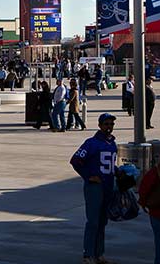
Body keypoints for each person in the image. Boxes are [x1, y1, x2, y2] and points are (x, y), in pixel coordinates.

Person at [70, 112, 118, 264]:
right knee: (93, 222)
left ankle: (99, 254)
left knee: (103, 222)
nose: (109, 127)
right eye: (106, 124)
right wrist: (88, 176)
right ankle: (88, 254)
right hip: (95, 188)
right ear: (99, 125)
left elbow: (109, 165)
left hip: (108, 186)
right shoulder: (91, 143)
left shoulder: (112, 143)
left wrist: (120, 172)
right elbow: (75, 160)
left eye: (111, 124)